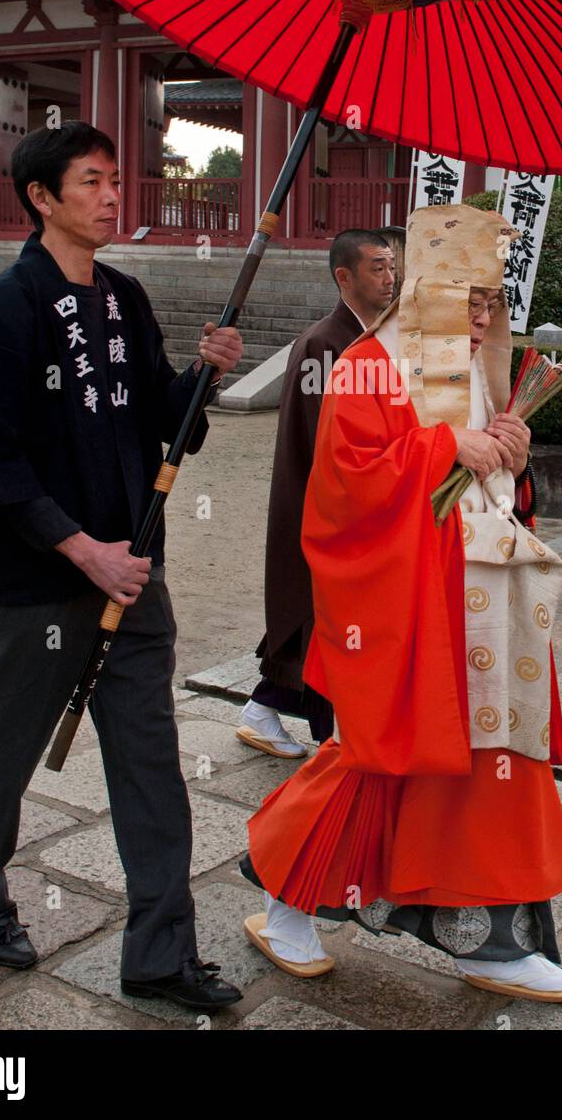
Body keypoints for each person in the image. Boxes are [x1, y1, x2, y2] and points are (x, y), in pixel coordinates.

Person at [239, 201, 562, 1002]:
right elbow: (340, 493)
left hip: (483, 597)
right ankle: (286, 896)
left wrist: (508, 456)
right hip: (409, 604)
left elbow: (491, 482)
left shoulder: (464, 367)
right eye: (470, 297)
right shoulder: (368, 364)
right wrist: (443, 447)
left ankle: (488, 939)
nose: (483, 315)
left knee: (496, 761)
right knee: (380, 760)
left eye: (490, 301)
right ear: (429, 287)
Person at [0, 121, 244, 1013]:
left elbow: (165, 422)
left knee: (150, 759)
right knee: (9, 745)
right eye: (93, 181)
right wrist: (82, 550)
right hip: (43, 580)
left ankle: (161, 951)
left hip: (135, 573)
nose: (115, 195)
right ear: (42, 197)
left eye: (117, 180)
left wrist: (203, 376)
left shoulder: (123, 298)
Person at [237, 229, 396, 758]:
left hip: (359, 506)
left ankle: (265, 708)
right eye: (377, 267)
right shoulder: (323, 345)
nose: (390, 277)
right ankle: (338, 749)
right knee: (324, 622)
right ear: (343, 277)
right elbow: (326, 447)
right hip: (324, 508)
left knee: (318, 623)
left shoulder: (374, 339)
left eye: (392, 266)